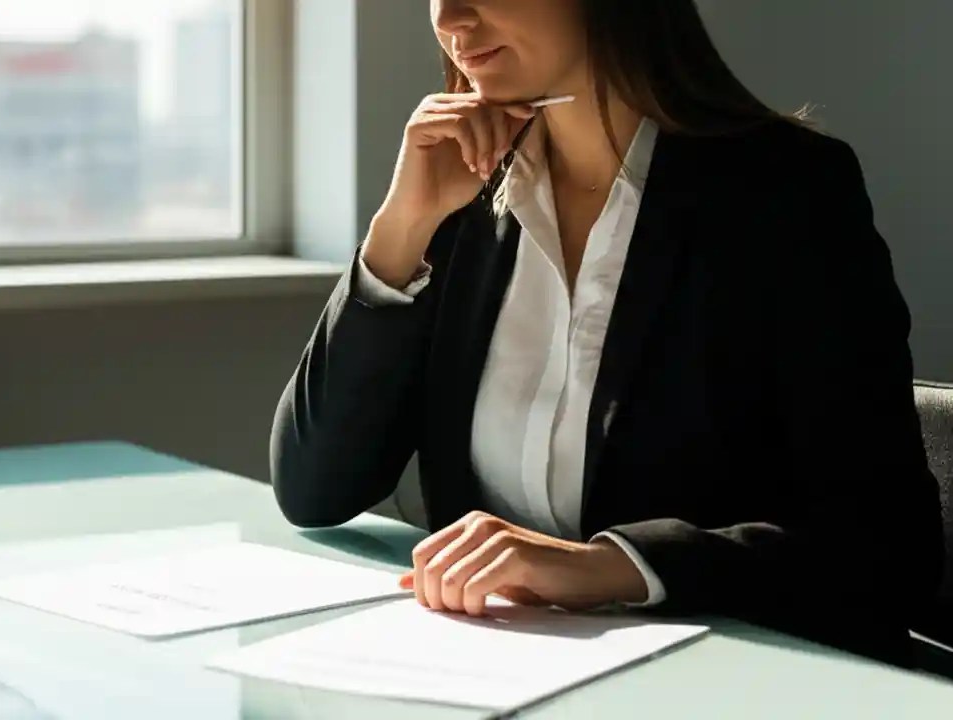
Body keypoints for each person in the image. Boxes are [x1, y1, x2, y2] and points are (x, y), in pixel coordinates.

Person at [270, 0, 945, 665]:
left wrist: (612, 566)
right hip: (496, 672)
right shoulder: (461, 192)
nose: (451, 19)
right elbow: (314, 489)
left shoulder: (787, 194)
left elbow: (887, 552)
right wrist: (399, 232)